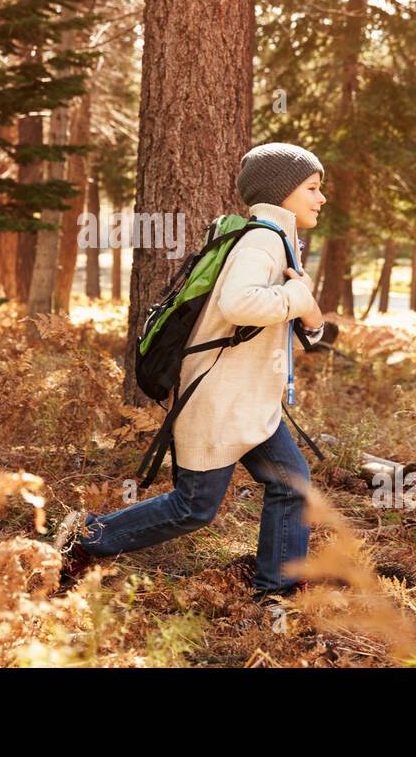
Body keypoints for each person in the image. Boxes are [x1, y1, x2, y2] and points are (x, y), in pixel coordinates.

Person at [59, 143, 328, 601]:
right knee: (193, 507)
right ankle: (85, 540)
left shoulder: (277, 238)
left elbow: (296, 319)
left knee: (292, 483)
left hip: (251, 402)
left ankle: (276, 592)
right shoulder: (262, 239)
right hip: (221, 399)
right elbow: (238, 303)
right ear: (282, 192)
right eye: (312, 188)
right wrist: (298, 299)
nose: (320, 199)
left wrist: (310, 312)